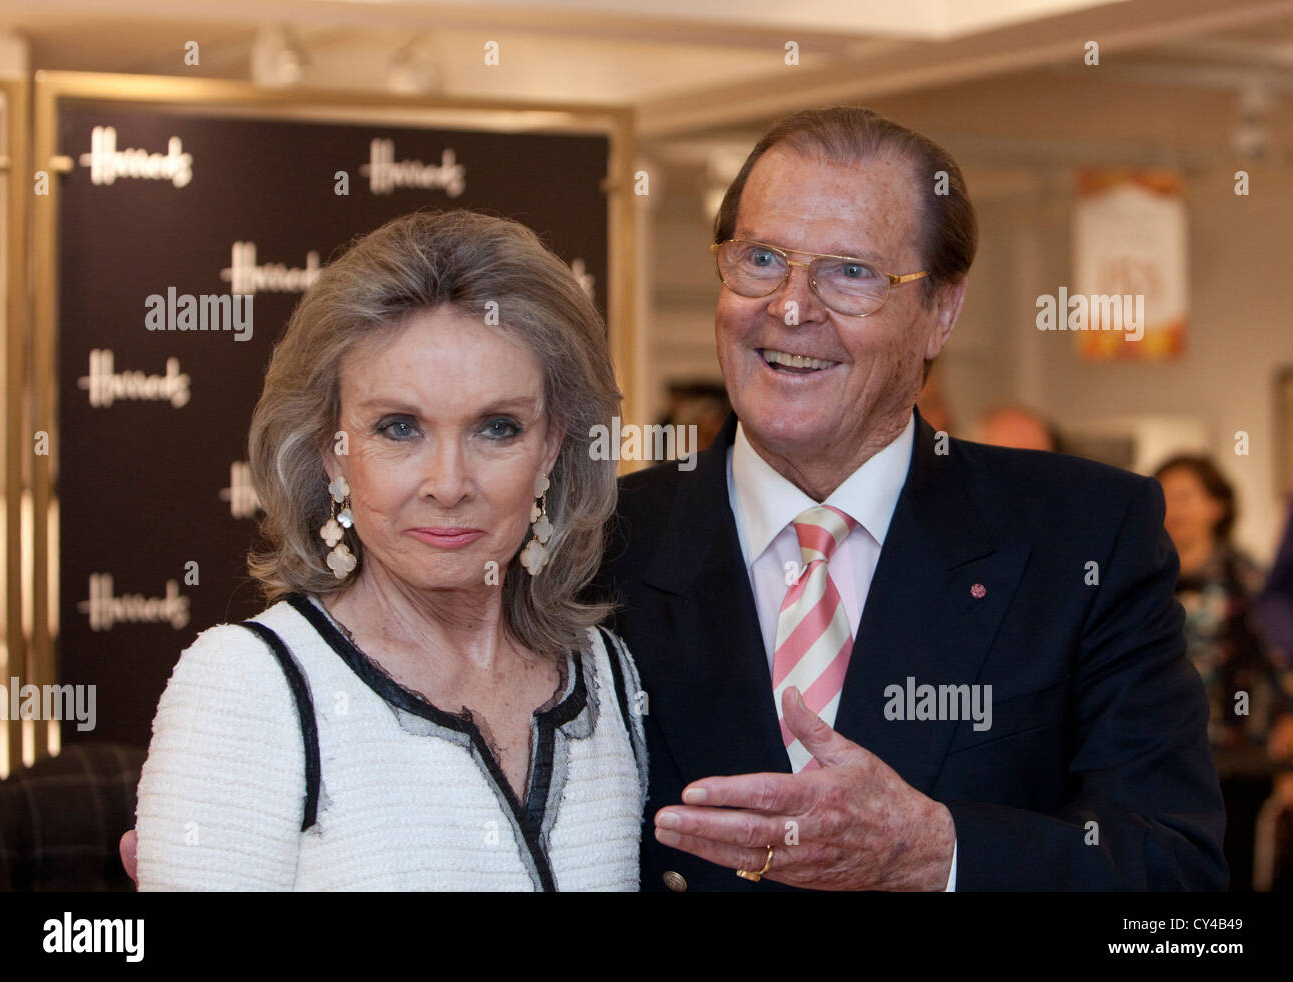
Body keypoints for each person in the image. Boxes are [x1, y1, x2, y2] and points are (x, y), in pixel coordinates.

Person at [598, 106, 1226, 891]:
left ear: (942, 312)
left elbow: (1176, 880)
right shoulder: (600, 548)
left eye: (851, 273)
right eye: (761, 258)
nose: (791, 307)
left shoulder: (1087, 539)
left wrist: (938, 853)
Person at [131, 210, 646, 890]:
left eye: (498, 428)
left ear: (551, 446)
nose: (449, 485)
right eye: (399, 428)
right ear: (331, 452)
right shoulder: (248, 686)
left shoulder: (609, 677)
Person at [1154, 454, 1293, 889]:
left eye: (1186, 496)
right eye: (1164, 496)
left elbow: (1281, 656)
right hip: (1156, 758)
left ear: (1217, 506)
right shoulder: (1137, 580)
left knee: (1230, 869)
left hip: (1237, 761)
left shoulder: (1250, 580)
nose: (1174, 509)